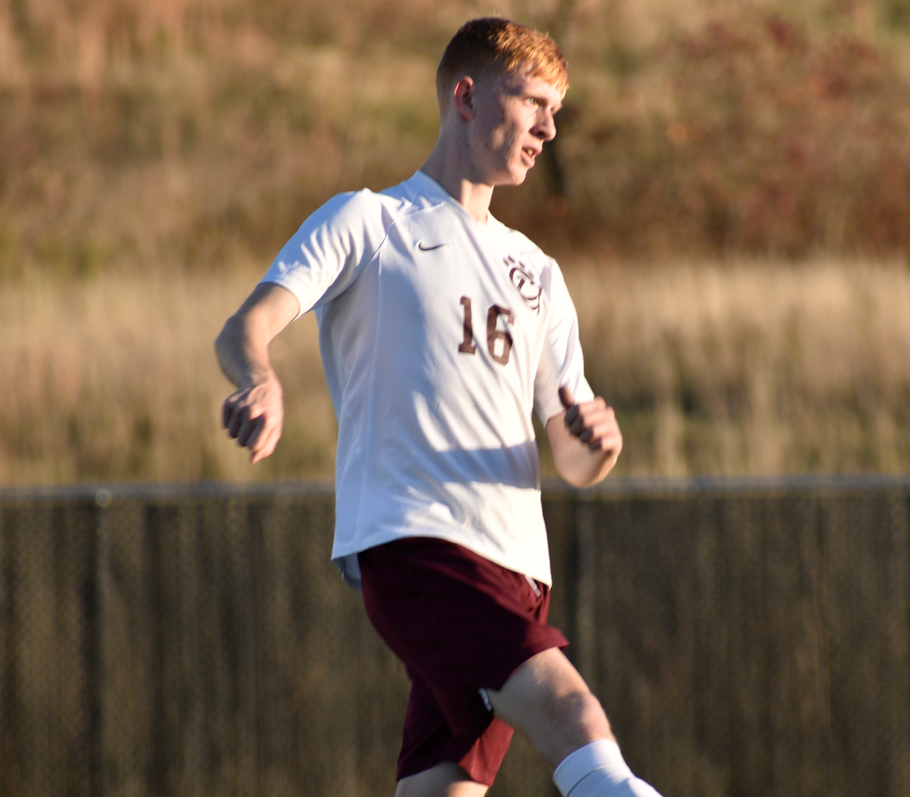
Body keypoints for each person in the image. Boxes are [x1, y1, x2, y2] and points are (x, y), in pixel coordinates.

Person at [214, 17, 663, 797]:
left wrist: (600, 442)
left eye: (557, 110)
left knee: (443, 786)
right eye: (534, 103)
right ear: (466, 96)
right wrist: (260, 376)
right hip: (421, 544)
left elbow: (574, 458)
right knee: (575, 713)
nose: (550, 128)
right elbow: (246, 325)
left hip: (519, 569)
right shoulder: (371, 222)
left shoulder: (538, 272)